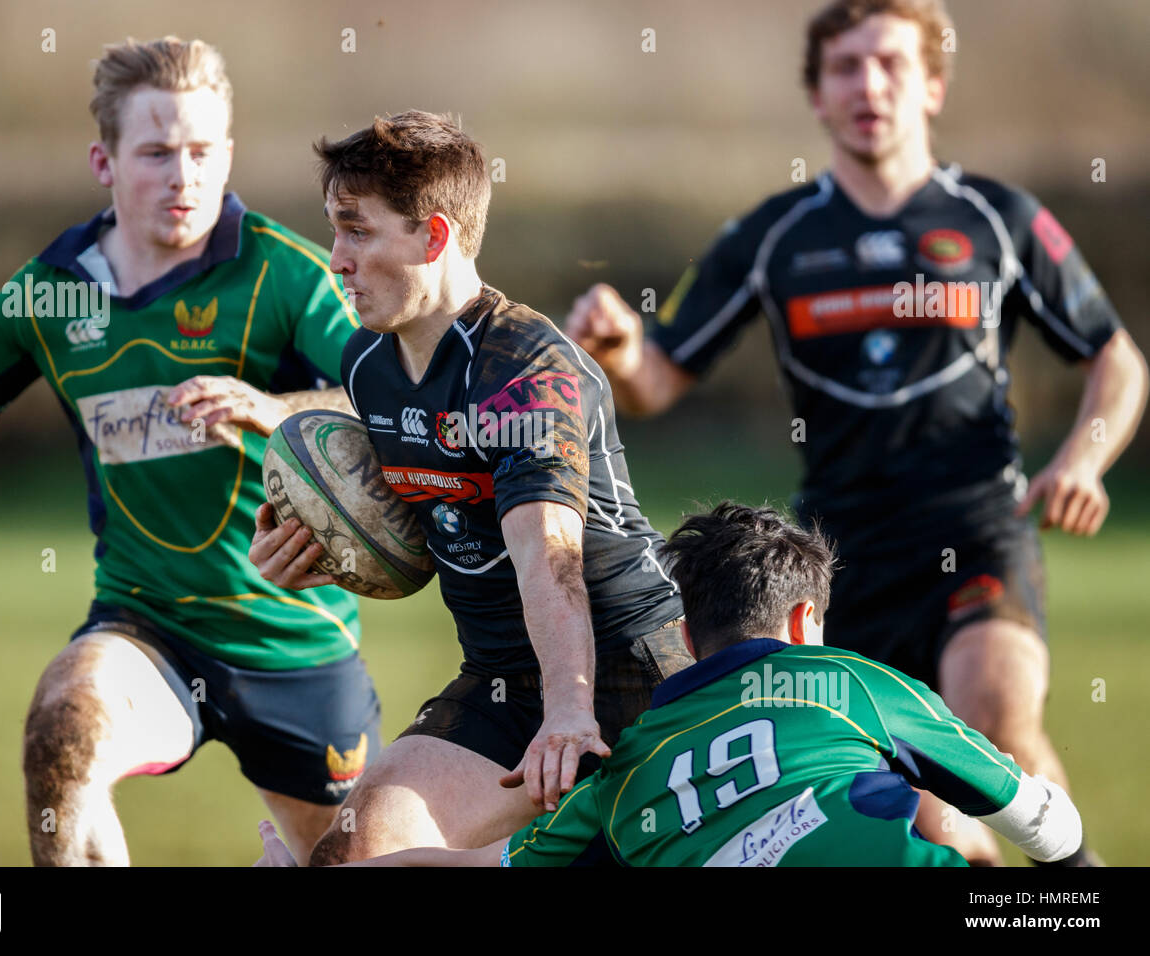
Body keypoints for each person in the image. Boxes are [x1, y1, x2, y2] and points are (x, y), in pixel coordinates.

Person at [565, 0, 1146, 865]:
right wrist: (618, 348)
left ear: (933, 86)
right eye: (845, 67)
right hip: (837, 554)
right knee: (904, 801)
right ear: (818, 97)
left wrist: (1085, 460)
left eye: (892, 64)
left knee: (994, 728)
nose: (869, 84)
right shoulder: (774, 236)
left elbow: (1118, 360)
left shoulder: (999, 219)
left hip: (977, 525)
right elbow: (656, 380)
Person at [0, 37, 379, 866]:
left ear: (229, 153)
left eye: (204, 152)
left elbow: (391, 398)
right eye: (158, 152)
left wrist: (274, 407)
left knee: (345, 861)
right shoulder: (53, 291)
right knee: (63, 730)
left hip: (297, 642)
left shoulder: (285, 273)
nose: (185, 175)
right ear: (103, 161)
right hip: (146, 627)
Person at [249, 110, 692, 863]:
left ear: (435, 236)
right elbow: (433, 519)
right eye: (334, 231)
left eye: (358, 231)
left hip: (632, 671)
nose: (337, 259)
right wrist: (319, 545)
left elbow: (547, 554)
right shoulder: (368, 363)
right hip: (498, 678)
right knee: (352, 850)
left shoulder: (523, 367)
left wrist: (568, 711)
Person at [259, 502, 1084, 867]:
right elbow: (1039, 818)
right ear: (804, 624)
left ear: (686, 637)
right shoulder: (854, 681)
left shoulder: (626, 770)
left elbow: (474, 868)